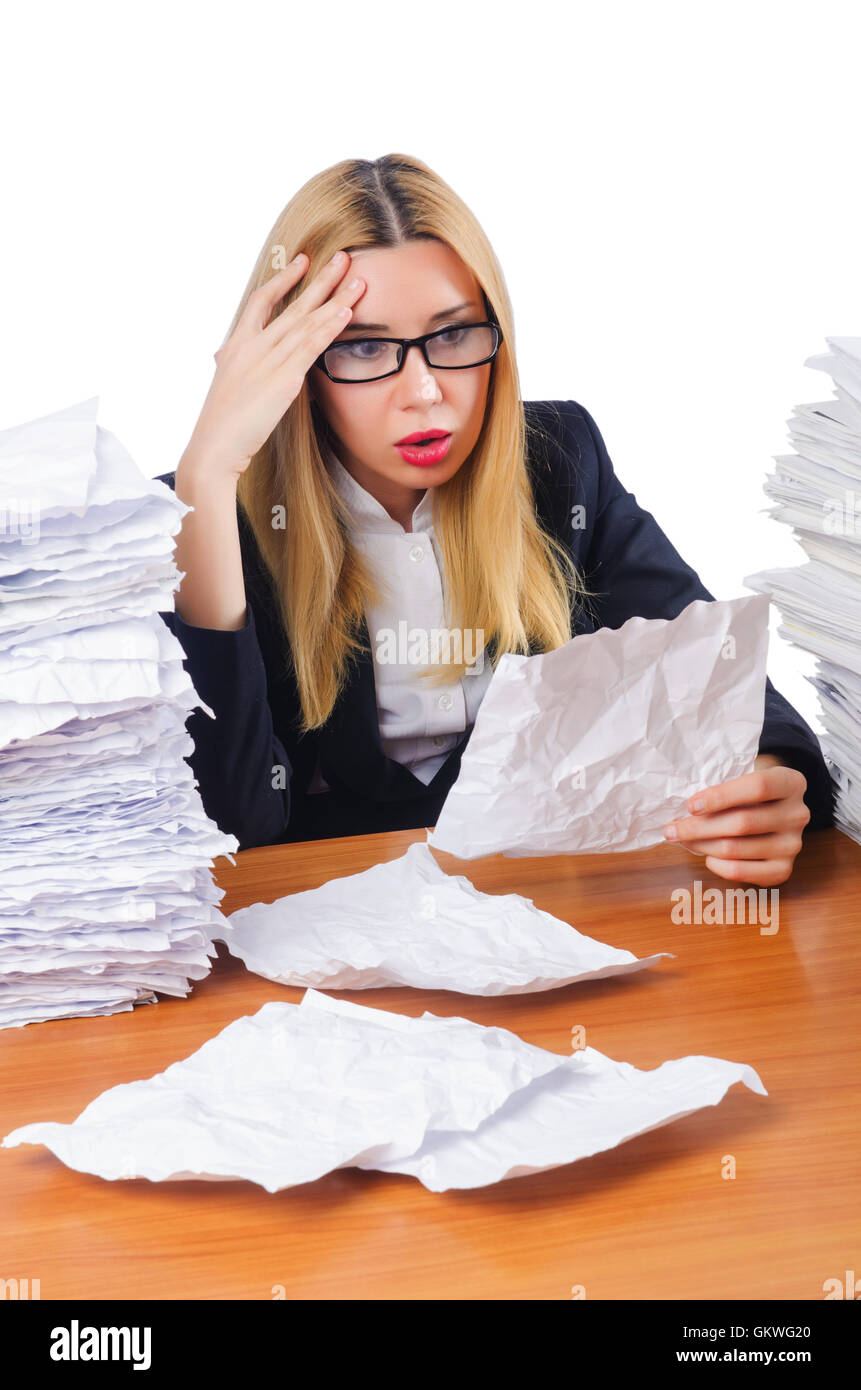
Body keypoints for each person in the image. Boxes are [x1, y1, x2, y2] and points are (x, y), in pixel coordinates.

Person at [157, 152, 833, 885]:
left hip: (535, 906)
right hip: (299, 933)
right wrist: (205, 480)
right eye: (363, 347)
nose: (423, 393)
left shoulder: (558, 462)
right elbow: (218, 828)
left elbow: (709, 661)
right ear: (296, 366)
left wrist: (766, 773)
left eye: (451, 336)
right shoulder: (208, 517)